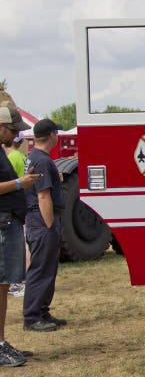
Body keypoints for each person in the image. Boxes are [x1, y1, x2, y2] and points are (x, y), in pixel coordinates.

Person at [0, 105, 41, 367]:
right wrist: (19, 184)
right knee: (1, 285)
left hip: (7, 222)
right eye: (13, 130)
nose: (15, 135)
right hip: (2, 225)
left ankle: (2, 342)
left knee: (4, 286)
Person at [23, 118, 68, 332]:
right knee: (41, 269)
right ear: (51, 135)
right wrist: (50, 225)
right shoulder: (41, 160)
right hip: (42, 220)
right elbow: (43, 196)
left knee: (47, 268)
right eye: (56, 133)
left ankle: (42, 310)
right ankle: (32, 317)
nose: (57, 136)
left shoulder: (35, 157)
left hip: (38, 220)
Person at [4, 134, 29, 297]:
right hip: (22, 205)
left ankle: (19, 282)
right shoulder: (22, 157)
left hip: (13, 207)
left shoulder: (11, 157)